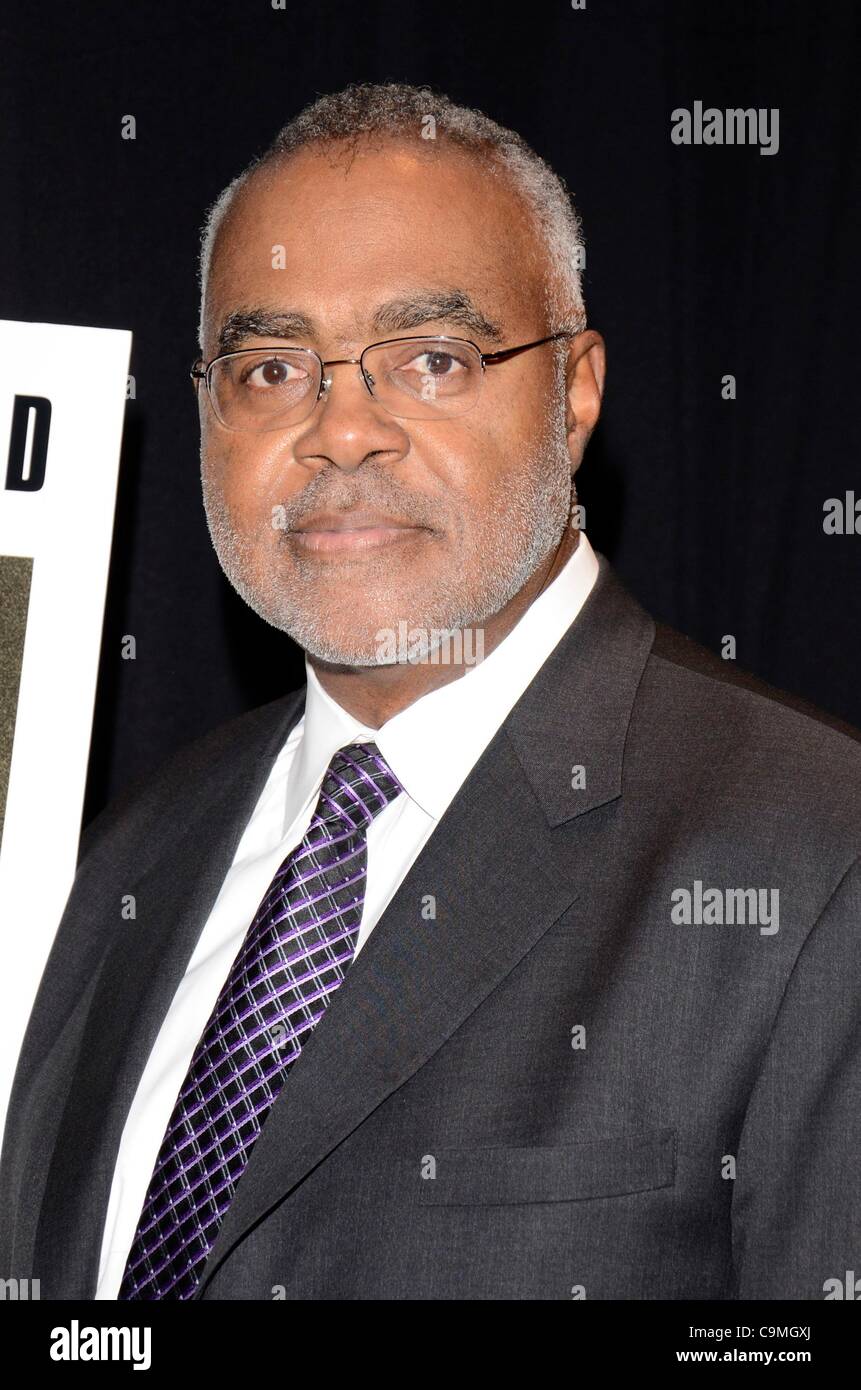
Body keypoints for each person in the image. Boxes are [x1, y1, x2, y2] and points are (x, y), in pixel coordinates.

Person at [1, 82, 858, 1301]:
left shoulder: (819, 861)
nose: (341, 430)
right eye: (271, 368)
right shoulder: (129, 854)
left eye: (432, 359)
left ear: (573, 390)